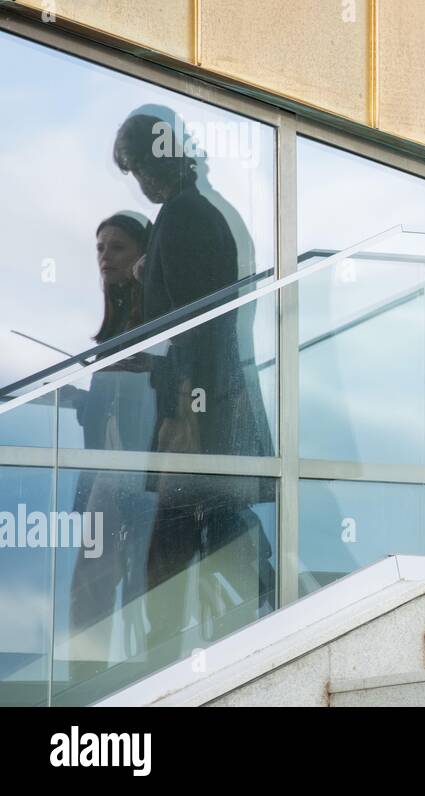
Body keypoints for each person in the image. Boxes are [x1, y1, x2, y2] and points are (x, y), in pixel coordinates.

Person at [112, 105, 276, 650]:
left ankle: (164, 655)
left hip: (198, 404)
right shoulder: (190, 213)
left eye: (138, 169)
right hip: (204, 398)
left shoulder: (184, 217)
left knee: (183, 531)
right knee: (207, 521)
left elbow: (199, 328)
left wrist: (187, 411)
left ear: (157, 163)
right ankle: (264, 605)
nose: (139, 184)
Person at [63, 212, 155, 684]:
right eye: (100, 248)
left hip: (141, 474)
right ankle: (86, 684)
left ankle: (147, 685)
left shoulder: (160, 315)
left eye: (116, 247)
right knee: (91, 585)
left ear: (143, 255)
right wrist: (85, 403)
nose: (104, 257)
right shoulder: (116, 321)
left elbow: (155, 392)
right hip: (110, 473)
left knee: (137, 586)